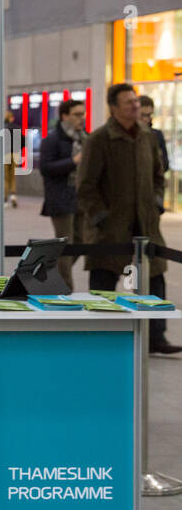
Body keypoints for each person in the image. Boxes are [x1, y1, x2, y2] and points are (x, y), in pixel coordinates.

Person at [78, 83, 180, 355]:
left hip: (146, 225)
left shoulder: (148, 136)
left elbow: (159, 176)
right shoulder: (99, 140)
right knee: (104, 282)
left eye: (136, 101)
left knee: (155, 279)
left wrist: (157, 204)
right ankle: (100, 336)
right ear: (113, 107)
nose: (135, 106)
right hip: (110, 229)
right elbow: (85, 186)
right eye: (128, 102)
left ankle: (156, 337)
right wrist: (100, 217)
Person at [38, 99, 86, 286]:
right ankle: (66, 288)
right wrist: (73, 161)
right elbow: (46, 168)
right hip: (60, 198)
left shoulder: (85, 137)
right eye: (76, 114)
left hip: (81, 198)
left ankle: (51, 273)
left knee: (81, 243)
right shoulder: (52, 139)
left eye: (82, 114)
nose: (81, 118)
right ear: (65, 116)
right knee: (66, 244)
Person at [139, 95, 171, 172]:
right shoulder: (129, 135)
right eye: (143, 115)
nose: (146, 119)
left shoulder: (157, 135)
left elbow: (165, 164)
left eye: (149, 115)